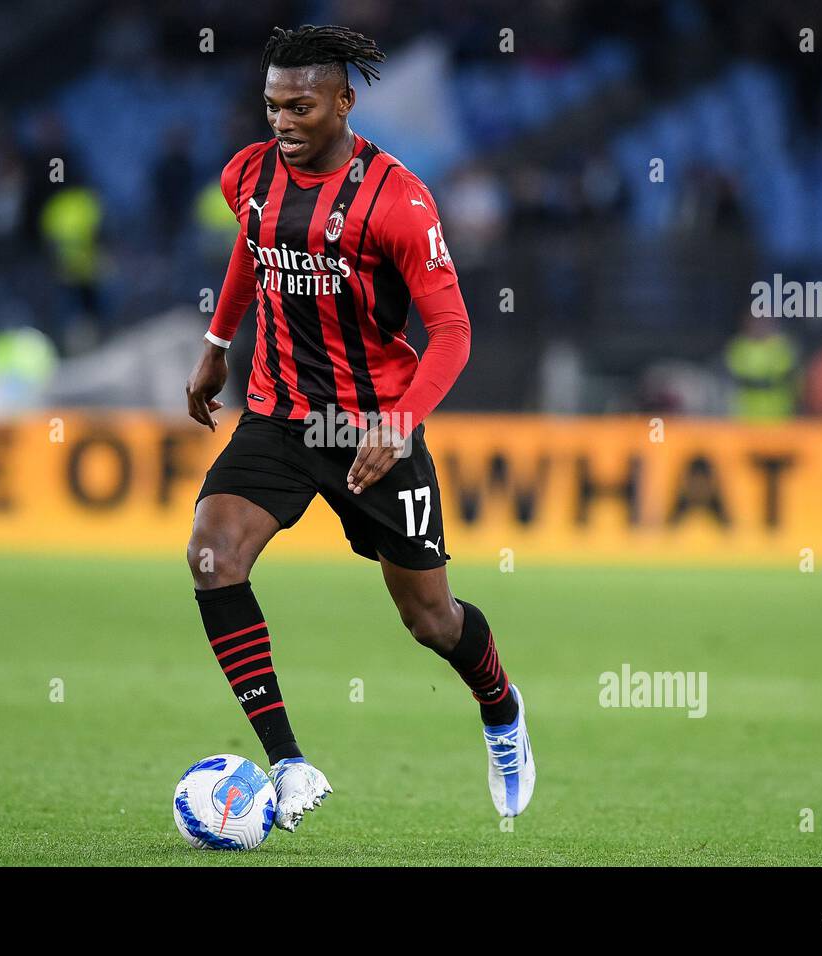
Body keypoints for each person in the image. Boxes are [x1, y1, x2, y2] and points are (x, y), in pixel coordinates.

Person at [184, 24, 534, 832]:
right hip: (276, 415)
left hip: (370, 425)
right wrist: (214, 347)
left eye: (300, 105)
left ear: (344, 101)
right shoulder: (251, 174)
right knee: (212, 555)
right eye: (271, 105)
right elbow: (252, 247)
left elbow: (452, 330)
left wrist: (397, 422)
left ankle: (501, 706)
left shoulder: (400, 202)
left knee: (429, 619)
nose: (282, 121)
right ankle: (289, 762)